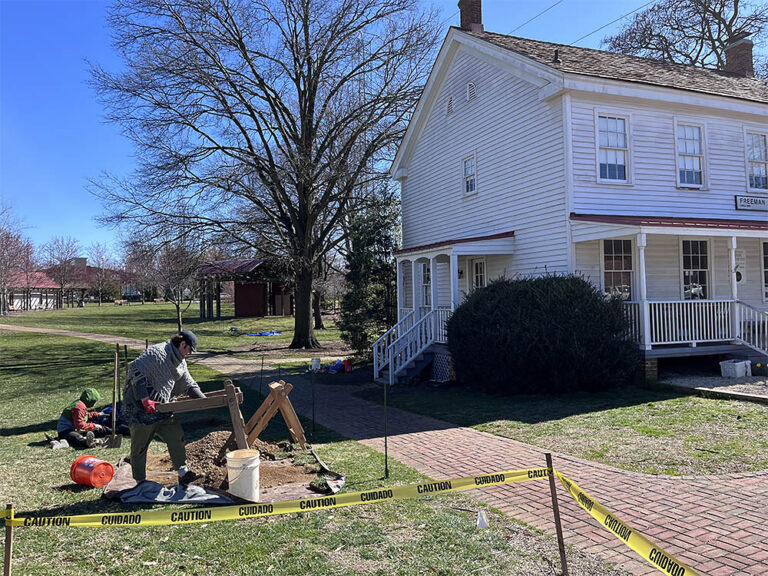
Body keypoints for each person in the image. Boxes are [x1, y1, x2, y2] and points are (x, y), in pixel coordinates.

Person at [122, 330, 206, 485]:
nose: (189, 353)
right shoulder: (158, 352)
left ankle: (183, 473)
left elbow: (189, 384)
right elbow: (137, 373)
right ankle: (140, 482)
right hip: (139, 409)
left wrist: (205, 401)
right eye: (189, 350)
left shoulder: (180, 362)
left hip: (161, 408)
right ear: (182, 344)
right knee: (140, 446)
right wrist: (145, 400)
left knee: (176, 435)